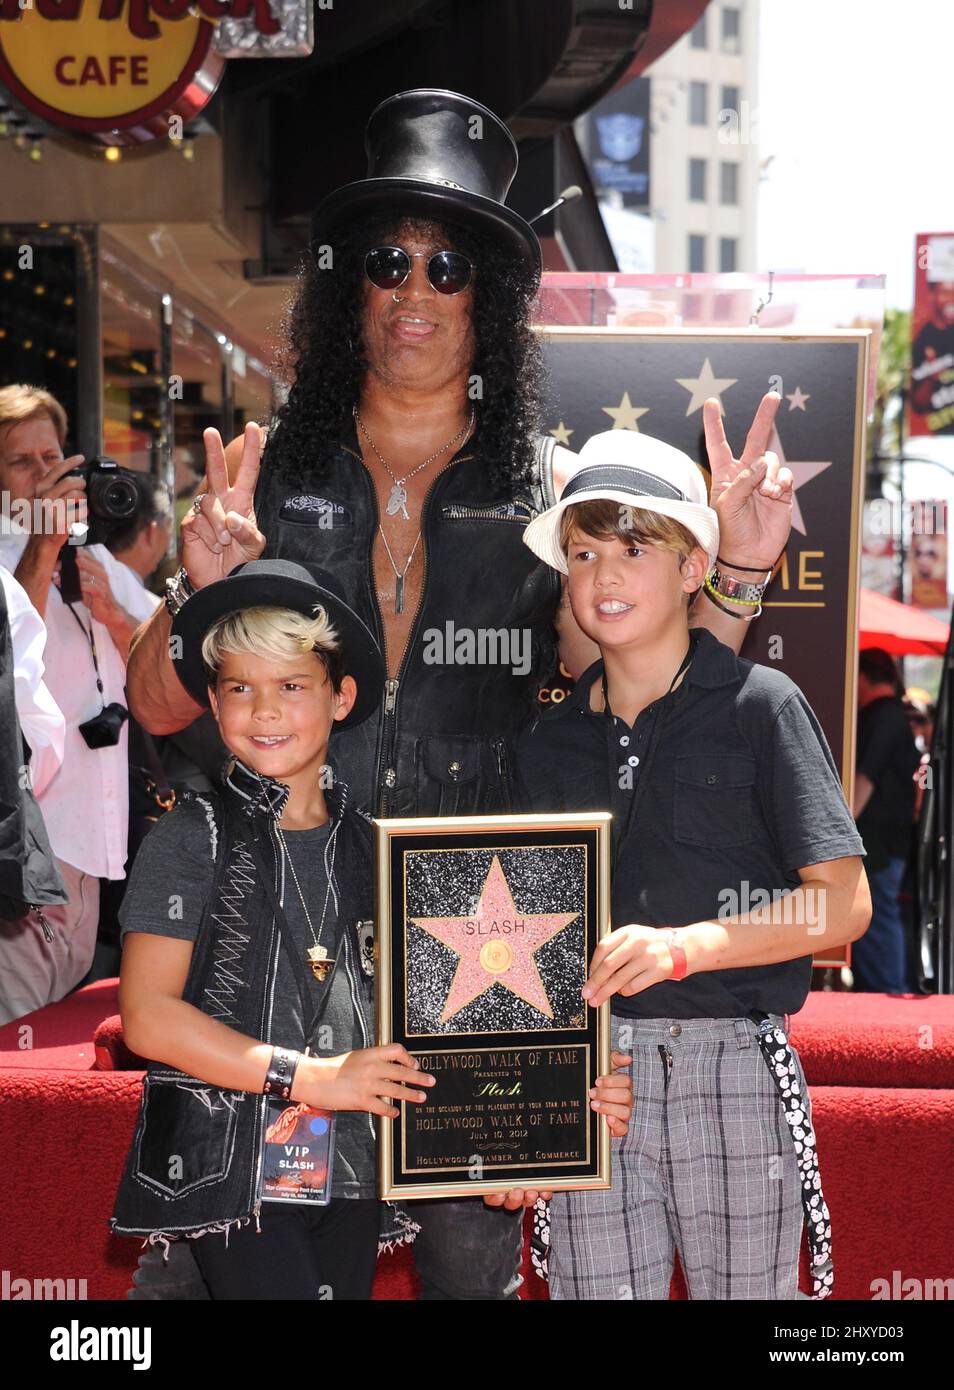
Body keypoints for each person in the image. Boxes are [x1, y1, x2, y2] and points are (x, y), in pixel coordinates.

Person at [124, 89, 795, 1299]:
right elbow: (164, 708)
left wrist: (734, 571)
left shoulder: (551, 491)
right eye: (387, 262)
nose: (415, 292)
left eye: (447, 266)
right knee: (241, 1261)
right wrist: (196, 588)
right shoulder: (269, 476)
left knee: (466, 1261)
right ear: (351, 292)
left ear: (486, 296)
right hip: (279, 933)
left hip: (478, 933)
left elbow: (645, 684)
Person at [511, 430, 871, 1300]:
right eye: (585, 551)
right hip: (594, 1075)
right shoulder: (544, 745)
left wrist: (690, 946)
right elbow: (518, 947)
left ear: (693, 567)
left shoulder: (761, 705)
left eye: (637, 548)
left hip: (736, 1068)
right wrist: (525, 1106)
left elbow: (842, 905)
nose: (605, 574)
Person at [110, 558, 436, 1298]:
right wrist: (310, 1076)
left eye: (291, 685)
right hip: (231, 1167)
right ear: (213, 704)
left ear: (341, 696)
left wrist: (518, 1132)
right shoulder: (191, 834)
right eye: (239, 688)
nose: (264, 711)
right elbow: (147, 1017)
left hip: (353, 1160)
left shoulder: (378, 846)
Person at [0, 385, 158, 1023]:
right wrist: (41, 551)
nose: (45, 475)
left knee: (59, 1046)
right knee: (14, 1059)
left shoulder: (92, 557)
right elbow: (8, 666)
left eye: (52, 457)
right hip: (26, 859)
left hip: (95, 856)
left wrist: (117, 618)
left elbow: (164, 668)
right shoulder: (13, 560)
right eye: (22, 462)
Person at [851, 648, 921, 995]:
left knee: (878, 916)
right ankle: (887, 989)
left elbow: (867, 775)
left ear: (862, 677)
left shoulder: (883, 716)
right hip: (889, 838)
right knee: (879, 915)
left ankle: (887, 991)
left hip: (876, 839)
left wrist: (844, 829)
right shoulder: (896, 716)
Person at [105, 472, 173, 598]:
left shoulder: (71, 583)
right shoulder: (154, 613)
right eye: (168, 525)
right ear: (151, 532)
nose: (170, 538)